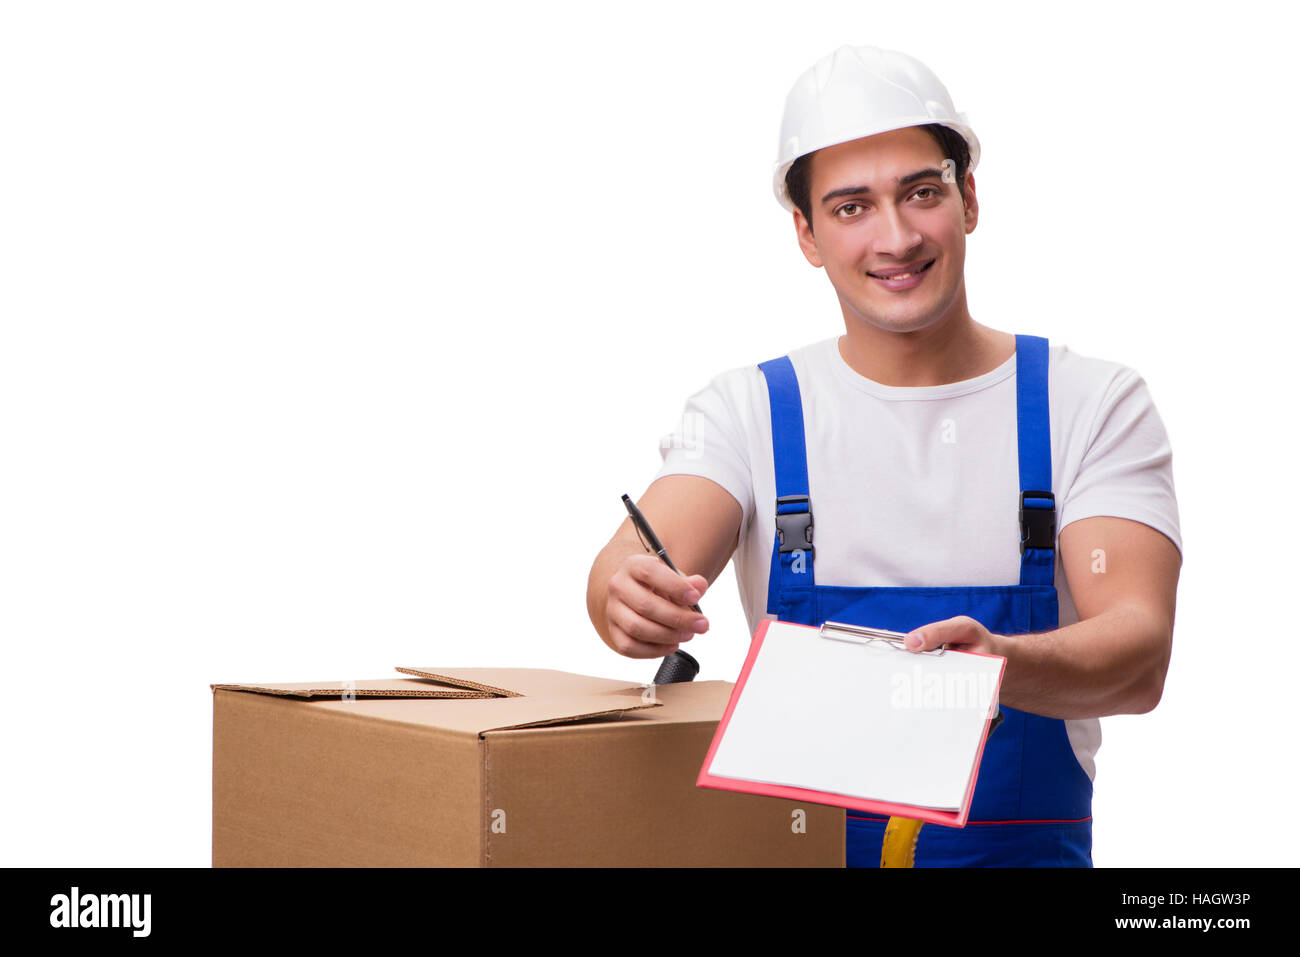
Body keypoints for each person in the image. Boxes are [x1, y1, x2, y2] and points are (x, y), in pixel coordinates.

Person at [585, 44, 1182, 867]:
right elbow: (634, 558)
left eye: (922, 192)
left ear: (969, 197)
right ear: (805, 232)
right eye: (851, 207)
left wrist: (999, 667)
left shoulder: (1089, 403)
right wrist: (624, 594)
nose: (896, 237)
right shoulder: (751, 412)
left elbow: (1138, 652)